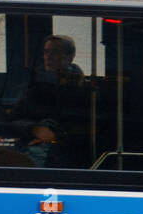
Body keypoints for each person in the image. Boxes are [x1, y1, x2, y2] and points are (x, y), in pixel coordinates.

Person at [7, 34, 90, 168]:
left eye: (55, 52)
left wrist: (57, 135)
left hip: (70, 154)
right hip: (32, 145)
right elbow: (13, 119)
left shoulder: (85, 90)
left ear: (70, 56)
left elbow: (87, 126)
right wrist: (34, 129)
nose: (48, 57)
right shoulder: (34, 86)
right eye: (46, 52)